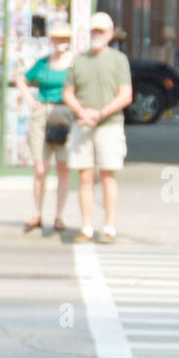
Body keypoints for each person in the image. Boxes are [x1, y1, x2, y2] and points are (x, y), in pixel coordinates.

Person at [62, 12, 134, 244]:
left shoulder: (118, 59)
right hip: (82, 124)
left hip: (109, 125)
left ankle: (109, 227)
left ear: (110, 34)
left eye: (101, 31)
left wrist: (101, 113)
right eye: (93, 31)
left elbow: (125, 94)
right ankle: (86, 227)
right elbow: (68, 92)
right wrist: (82, 112)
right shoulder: (77, 59)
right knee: (84, 177)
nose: (97, 35)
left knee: (107, 175)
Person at [14, 22, 73, 234]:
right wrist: (31, 101)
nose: (60, 43)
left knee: (63, 166)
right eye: (57, 39)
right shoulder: (43, 63)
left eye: (64, 39)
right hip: (42, 114)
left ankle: (59, 216)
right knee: (40, 168)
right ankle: (37, 213)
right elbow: (21, 80)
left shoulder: (73, 65)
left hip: (64, 114)